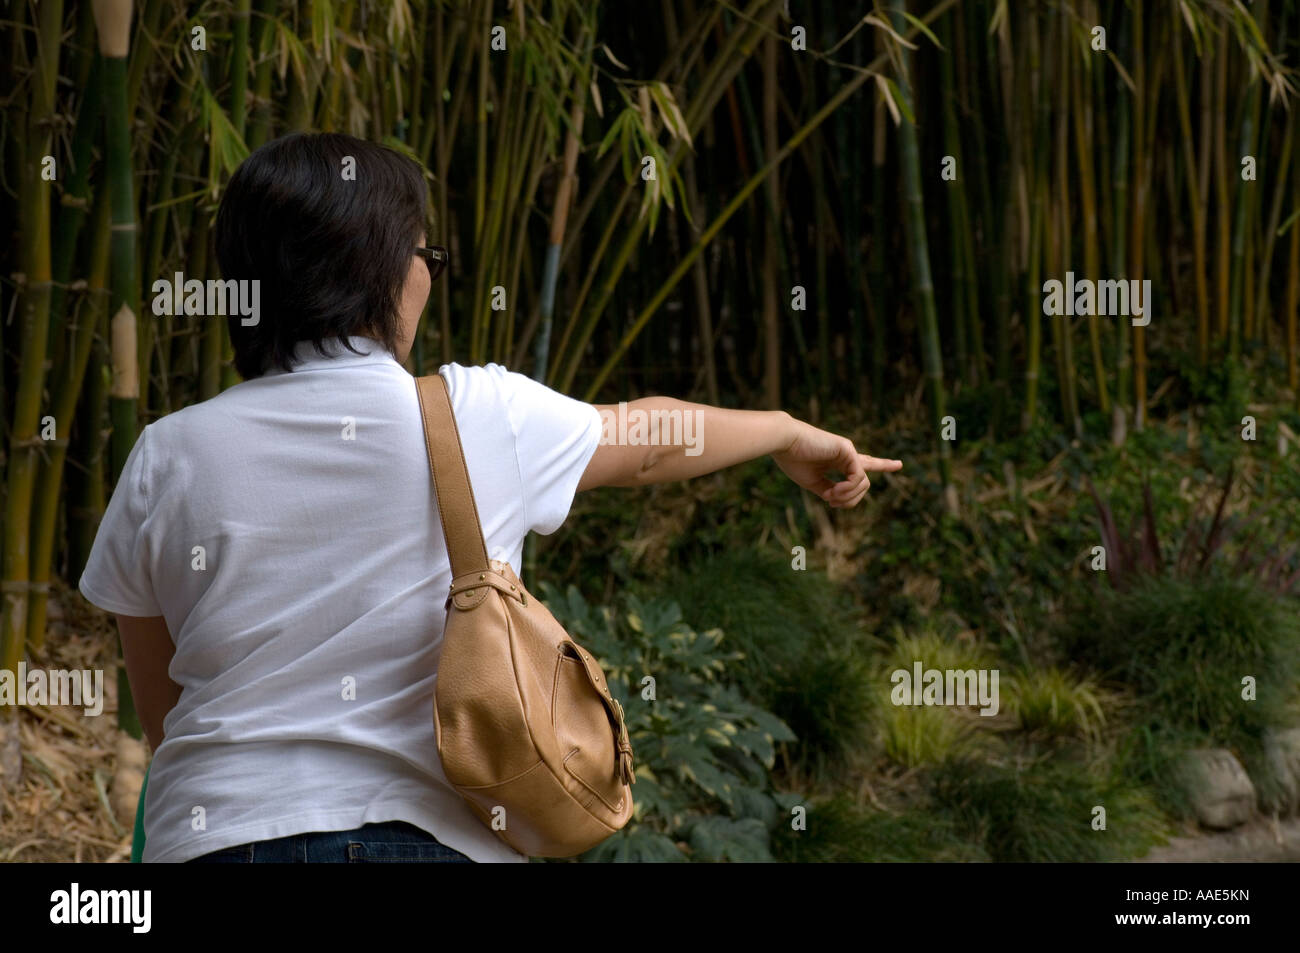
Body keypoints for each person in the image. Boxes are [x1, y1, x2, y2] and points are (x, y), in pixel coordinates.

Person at [78, 132, 902, 863]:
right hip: (434, 838)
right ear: (388, 272)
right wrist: (787, 431)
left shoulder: (167, 454)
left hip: (220, 834)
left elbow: (164, 714)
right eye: (425, 257)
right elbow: (650, 441)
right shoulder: (477, 417)